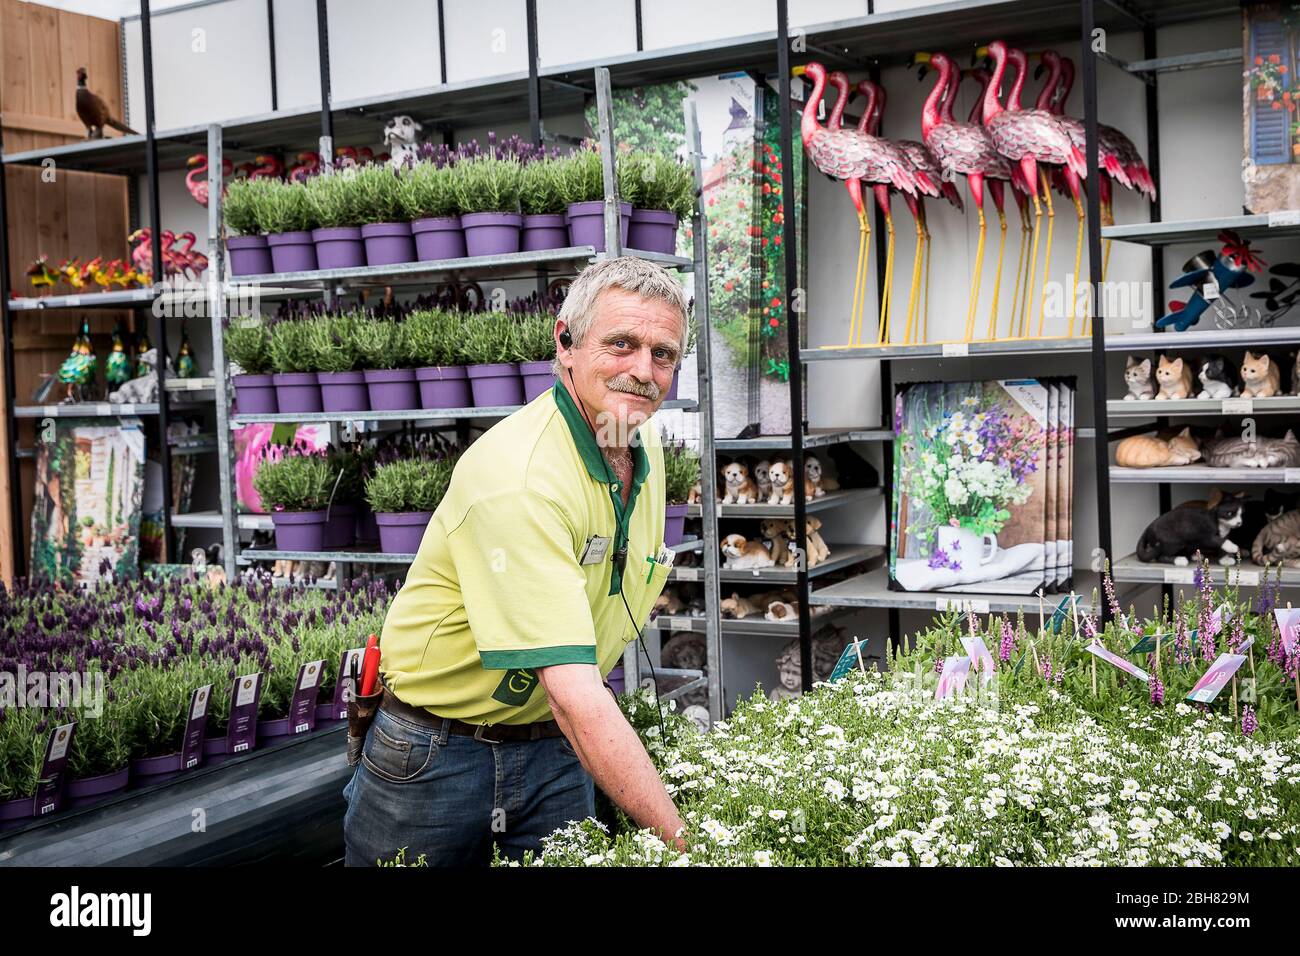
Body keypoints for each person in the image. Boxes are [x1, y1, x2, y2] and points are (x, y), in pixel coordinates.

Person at [343, 257, 689, 865]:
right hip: (436, 756)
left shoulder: (642, 441)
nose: (643, 371)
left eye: (663, 354)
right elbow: (576, 696)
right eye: (621, 344)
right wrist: (689, 846)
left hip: (553, 745)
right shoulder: (520, 477)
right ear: (565, 344)